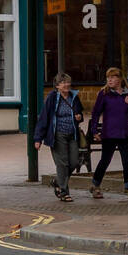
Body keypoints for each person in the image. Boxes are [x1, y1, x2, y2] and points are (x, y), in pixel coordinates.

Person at [88, 67, 128, 200]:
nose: (110, 80)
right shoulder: (104, 94)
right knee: (105, 161)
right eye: (108, 77)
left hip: (125, 133)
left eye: (113, 77)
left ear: (120, 79)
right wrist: (94, 130)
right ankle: (95, 185)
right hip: (109, 133)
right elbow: (96, 113)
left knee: (127, 162)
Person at [34, 72, 84, 201]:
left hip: (72, 134)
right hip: (57, 135)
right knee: (62, 163)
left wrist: (79, 117)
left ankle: (57, 181)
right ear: (57, 86)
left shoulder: (74, 97)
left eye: (68, 82)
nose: (67, 85)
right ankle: (63, 191)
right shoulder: (52, 98)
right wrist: (38, 138)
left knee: (74, 162)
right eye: (63, 83)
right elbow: (44, 118)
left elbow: (79, 114)